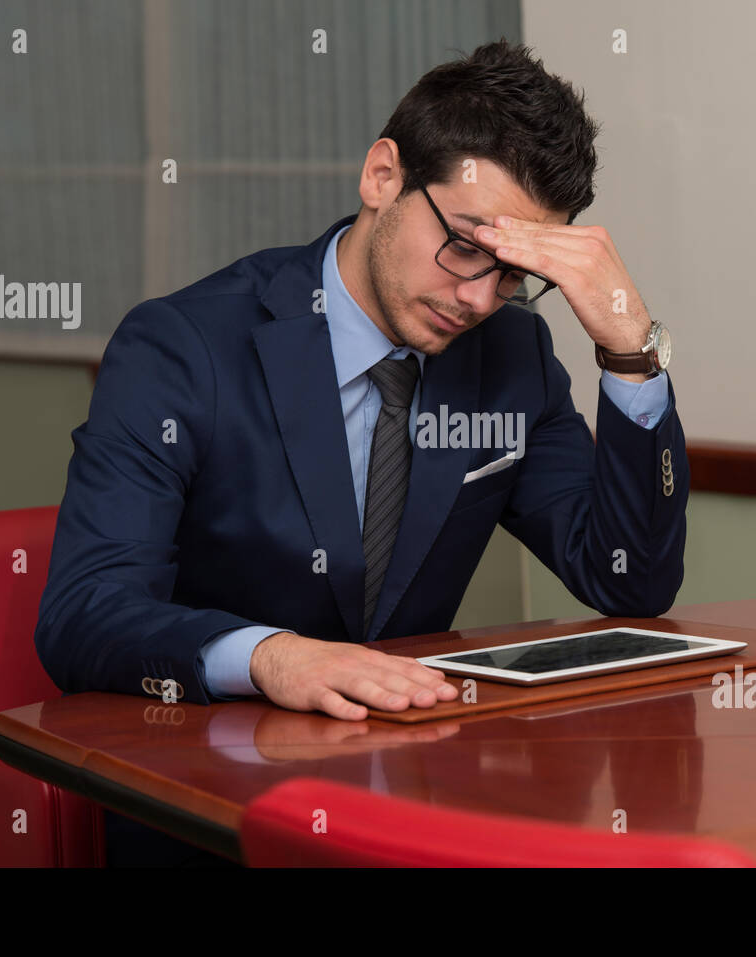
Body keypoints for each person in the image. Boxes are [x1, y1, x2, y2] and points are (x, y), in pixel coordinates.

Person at [35, 38, 687, 865]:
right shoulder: (185, 348)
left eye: (516, 274)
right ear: (383, 175)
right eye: (465, 246)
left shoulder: (510, 359)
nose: (481, 297)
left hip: (409, 799)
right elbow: (81, 613)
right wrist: (267, 655)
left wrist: (630, 348)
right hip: (205, 802)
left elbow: (630, 578)